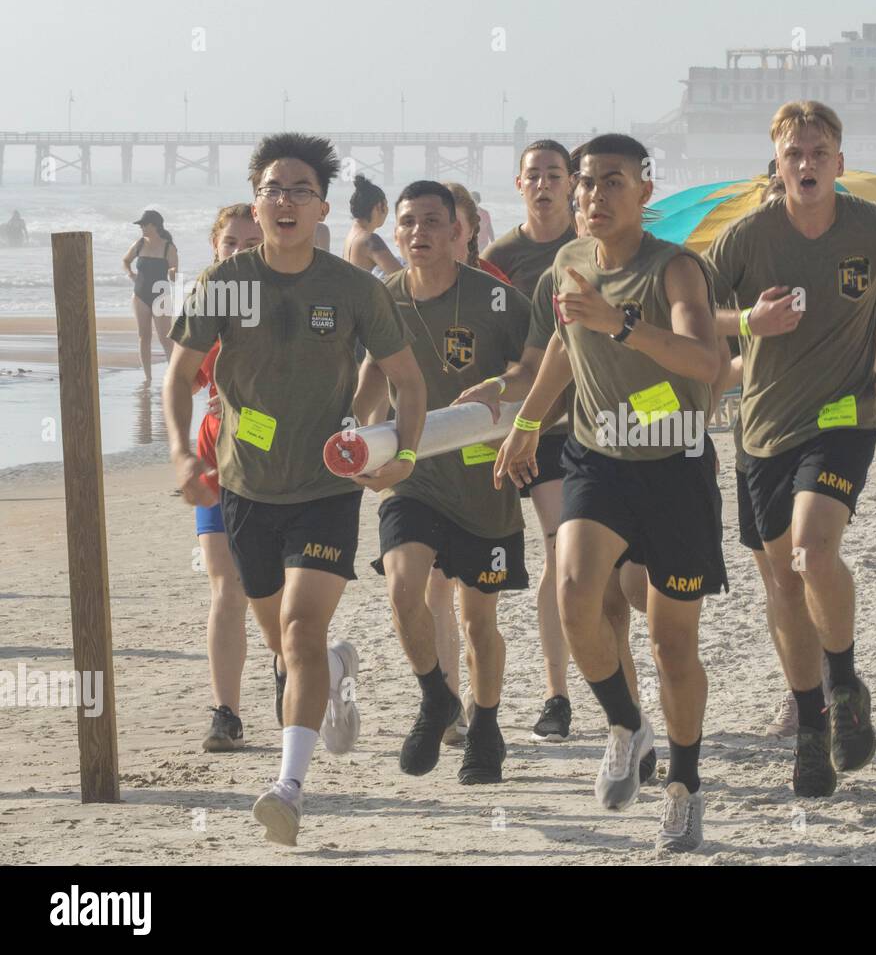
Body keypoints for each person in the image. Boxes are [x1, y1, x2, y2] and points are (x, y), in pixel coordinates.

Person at [164, 133, 427, 846]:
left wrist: (400, 453)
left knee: (300, 630)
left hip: (326, 484)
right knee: (286, 645)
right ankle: (337, 667)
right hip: (246, 488)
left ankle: (288, 787)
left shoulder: (352, 289)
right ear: (257, 199)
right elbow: (178, 374)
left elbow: (406, 380)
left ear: (321, 208)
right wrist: (182, 451)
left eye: (300, 191)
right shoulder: (225, 282)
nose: (284, 202)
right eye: (273, 189)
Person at [705, 101, 876, 798]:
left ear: (840, 163)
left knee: (812, 553)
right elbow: (688, 312)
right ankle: (813, 725)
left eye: (819, 153)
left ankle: (843, 686)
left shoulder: (875, 225)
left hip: (845, 417)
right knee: (782, 585)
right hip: (759, 430)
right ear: (778, 166)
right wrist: (747, 321)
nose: (807, 165)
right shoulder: (748, 237)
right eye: (795, 155)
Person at [495, 133, 725, 854]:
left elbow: (706, 361)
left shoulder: (676, 269)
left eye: (611, 183)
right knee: (574, 593)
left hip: (677, 465)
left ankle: (684, 788)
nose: (593, 196)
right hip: (598, 457)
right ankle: (625, 723)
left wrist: (619, 322)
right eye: (586, 183)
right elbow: (567, 344)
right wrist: (529, 422)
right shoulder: (568, 263)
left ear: (645, 192)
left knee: (671, 644)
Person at [352, 180, 532, 784]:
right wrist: (359, 439)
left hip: (485, 479)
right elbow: (374, 380)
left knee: (479, 620)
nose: (419, 233)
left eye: (433, 222)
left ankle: (486, 722)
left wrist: (502, 396)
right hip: (414, 474)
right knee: (404, 585)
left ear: (459, 231)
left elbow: (536, 372)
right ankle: (435, 697)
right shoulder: (385, 300)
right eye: (408, 223)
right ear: (395, 232)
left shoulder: (497, 300)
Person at [481, 141, 585, 740]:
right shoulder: (503, 257)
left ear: (572, 182)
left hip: (588, 425)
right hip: (524, 427)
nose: (544, 184)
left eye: (555, 174)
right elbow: (490, 339)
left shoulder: (592, 247)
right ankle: (545, 692)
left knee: (570, 557)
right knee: (538, 556)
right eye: (534, 176)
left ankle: (572, 689)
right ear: (518, 184)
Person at [192, 203, 264, 752]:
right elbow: (185, 377)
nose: (239, 252)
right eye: (230, 243)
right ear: (216, 248)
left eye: (250, 242)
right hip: (217, 459)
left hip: (277, 466)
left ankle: (298, 668)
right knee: (225, 586)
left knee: (273, 593)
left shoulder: (291, 300)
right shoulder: (207, 304)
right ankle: (226, 712)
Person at [122, 209, 178, 381]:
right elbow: (125, 260)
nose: (141, 228)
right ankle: (148, 377)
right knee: (143, 335)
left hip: (161, 295)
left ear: (154, 225)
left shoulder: (168, 247)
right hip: (140, 294)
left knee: (165, 337)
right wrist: (130, 274)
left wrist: (172, 271)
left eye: (144, 225)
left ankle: (174, 376)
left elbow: (175, 269)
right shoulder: (139, 244)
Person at [446, 183, 509, 283]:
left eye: (455, 227)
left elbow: (489, 227)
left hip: (482, 242)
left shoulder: (496, 281)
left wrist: (492, 241)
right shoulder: (414, 279)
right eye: (434, 223)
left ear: (470, 230)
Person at [343, 174, 402, 276]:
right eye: (386, 205)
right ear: (380, 206)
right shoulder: (370, 240)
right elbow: (402, 278)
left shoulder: (350, 237)